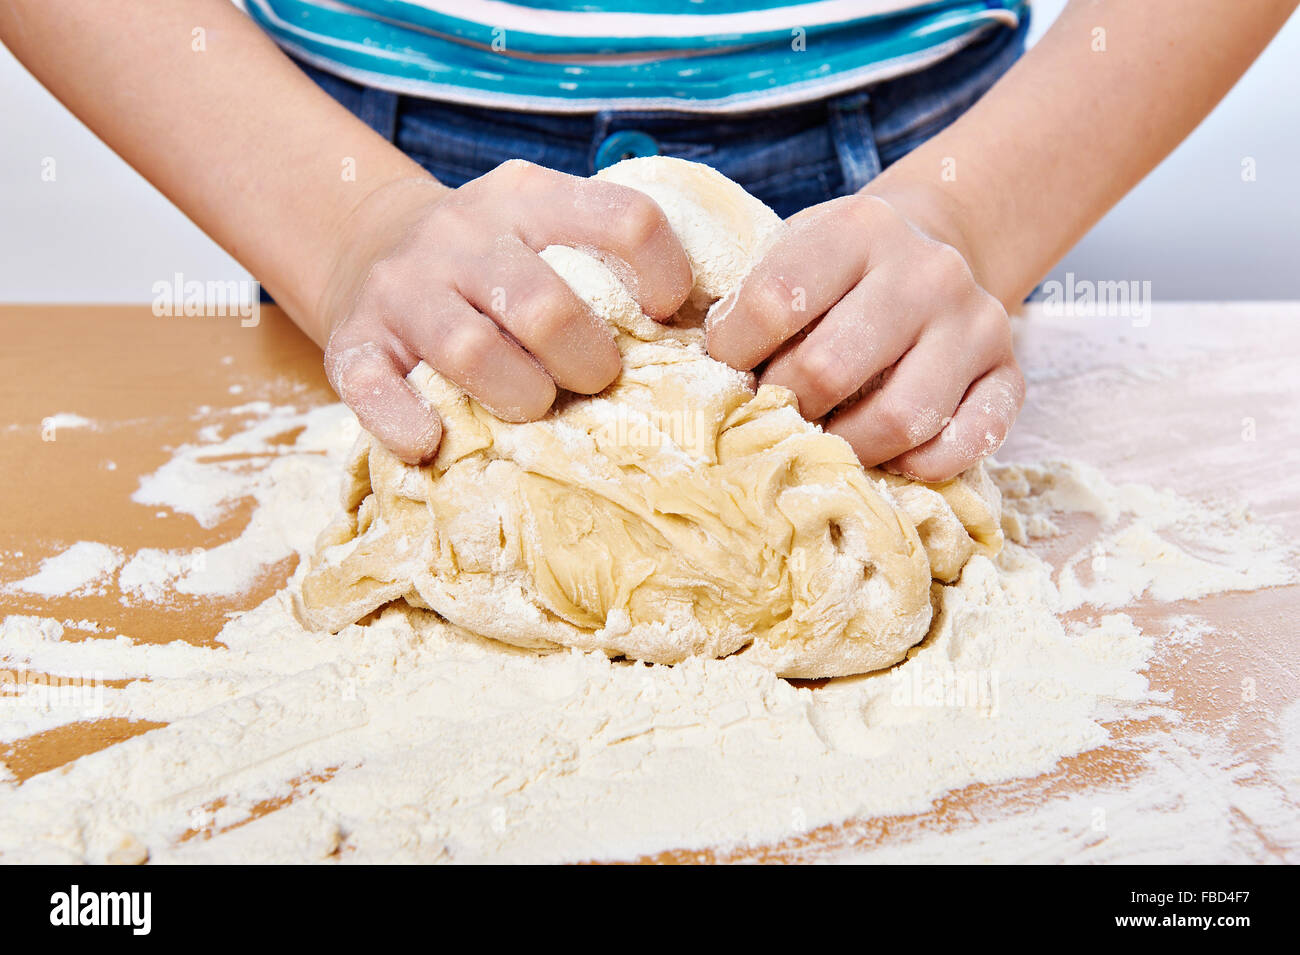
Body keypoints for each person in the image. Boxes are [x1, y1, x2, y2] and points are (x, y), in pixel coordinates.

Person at [3, 1, 1294, 481]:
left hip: (913, 187)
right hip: (357, 181)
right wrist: (346, 230)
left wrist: (975, 214)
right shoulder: (353, 224)